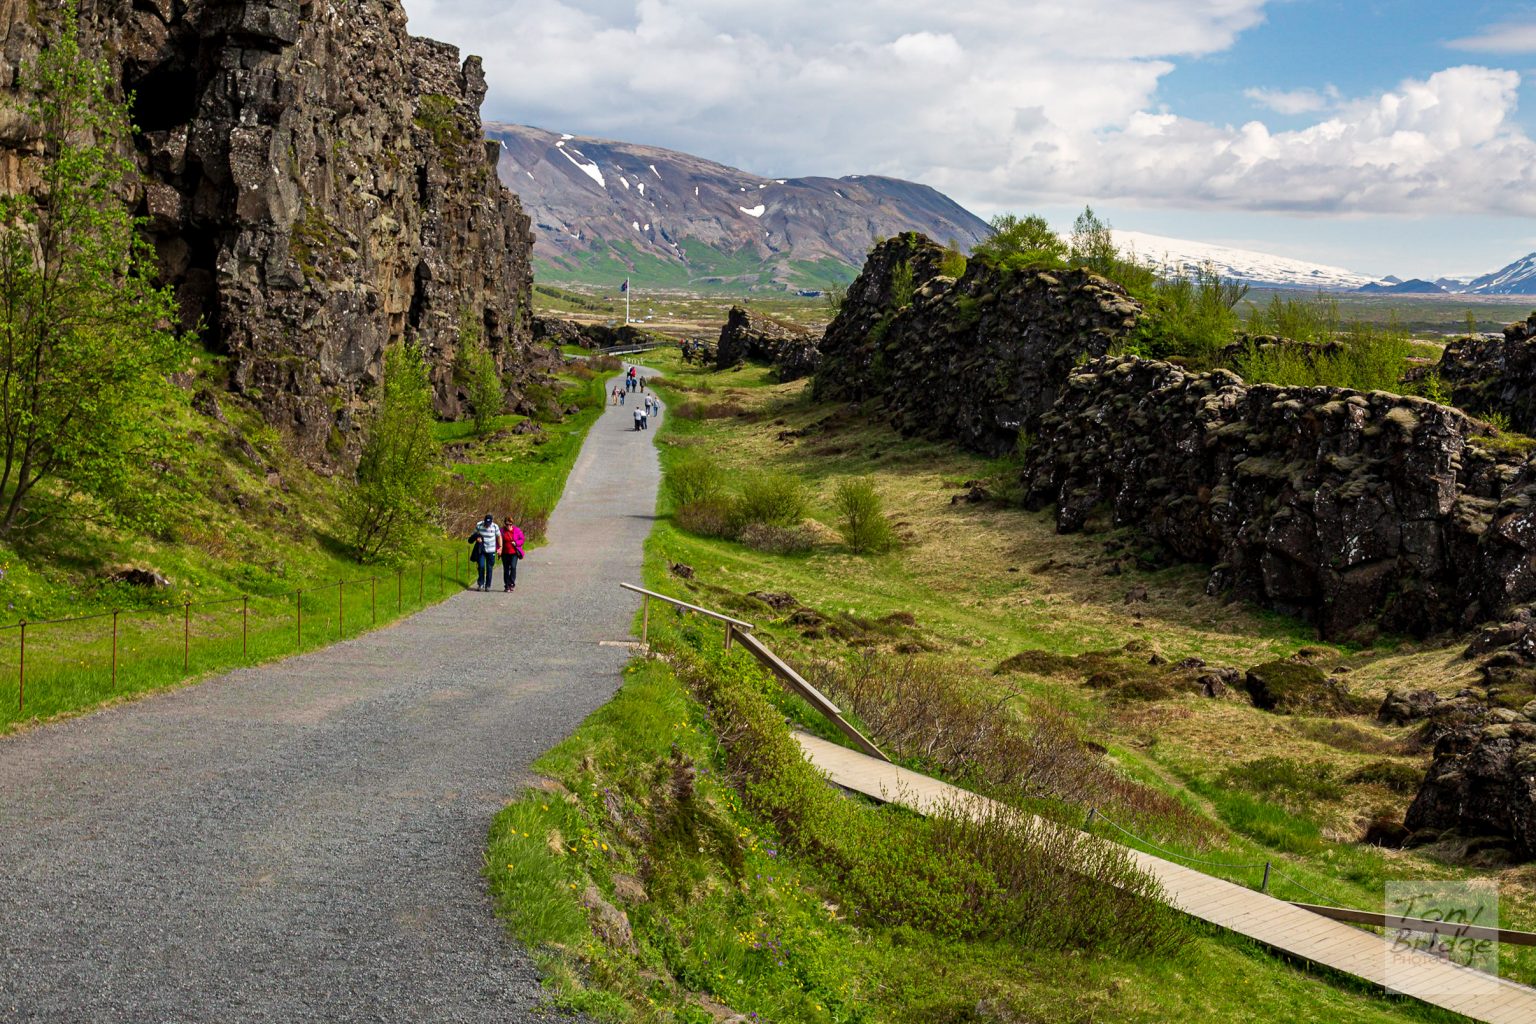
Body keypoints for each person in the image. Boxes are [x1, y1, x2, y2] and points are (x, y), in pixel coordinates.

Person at [469, 514, 501, 591]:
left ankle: (488, 585)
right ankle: (480, 584)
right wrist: (477, 538)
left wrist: (500, 547)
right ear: (484, 521)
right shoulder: (479, 525)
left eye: (488, 524)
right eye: (486, 523)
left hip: (491, 550)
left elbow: (499, 536)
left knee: (489, 568)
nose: (487, 525)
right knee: (481, 566)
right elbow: (474, 534)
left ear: (491, 522)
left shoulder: (495, 527)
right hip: (481, 550)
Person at [501, 520, 525, 592]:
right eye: (507, 524)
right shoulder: (501, 531)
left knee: (513, 567)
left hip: (514, 553)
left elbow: (522, 539)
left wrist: (516, 543)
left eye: (510, 525)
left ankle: (511, 583)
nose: (508, 526)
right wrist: (498, 549)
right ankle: (507, 585)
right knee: (506, 569)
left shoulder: (517, 530)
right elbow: (498, 540)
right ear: (505, 524)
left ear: (512, 524)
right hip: (505, 553)